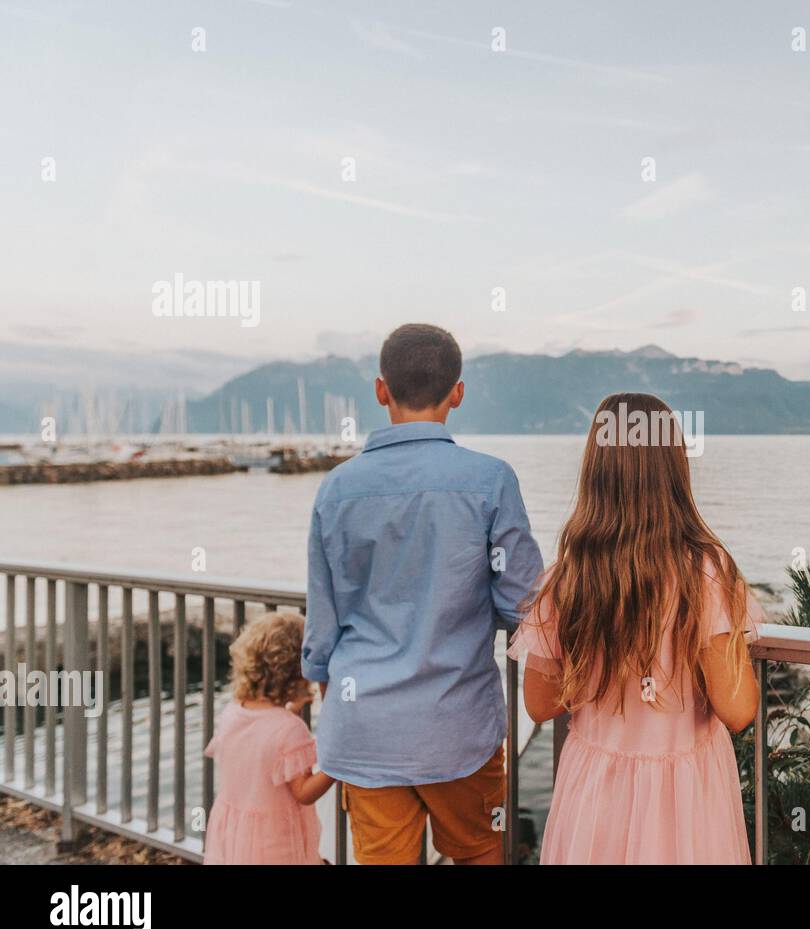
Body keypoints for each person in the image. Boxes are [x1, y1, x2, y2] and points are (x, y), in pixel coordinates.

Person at [303, 324, 543, 865]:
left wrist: (325, 687)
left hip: (365, 725)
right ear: (457, 393)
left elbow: (323, 619)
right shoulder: (490, 479)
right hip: (457, 725)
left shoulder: (336, 487)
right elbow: (522, 603)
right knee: (481, 851)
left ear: (381, 389)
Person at [509, 392, 762, 864]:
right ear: (674, 469)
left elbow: (539, 704)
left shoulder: (567, 578)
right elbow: (738, 708)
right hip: (684, 796)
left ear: (596, 470)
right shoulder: (705, 572)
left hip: (594, 784)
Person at [204, 612, 333, 865]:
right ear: (298, 671)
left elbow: (261, 740)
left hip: (236, 836)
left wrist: (289, 711)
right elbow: (304, 793)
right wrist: (337, 766)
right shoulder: (290, 730)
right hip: (276, 844)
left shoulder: (233, 712)